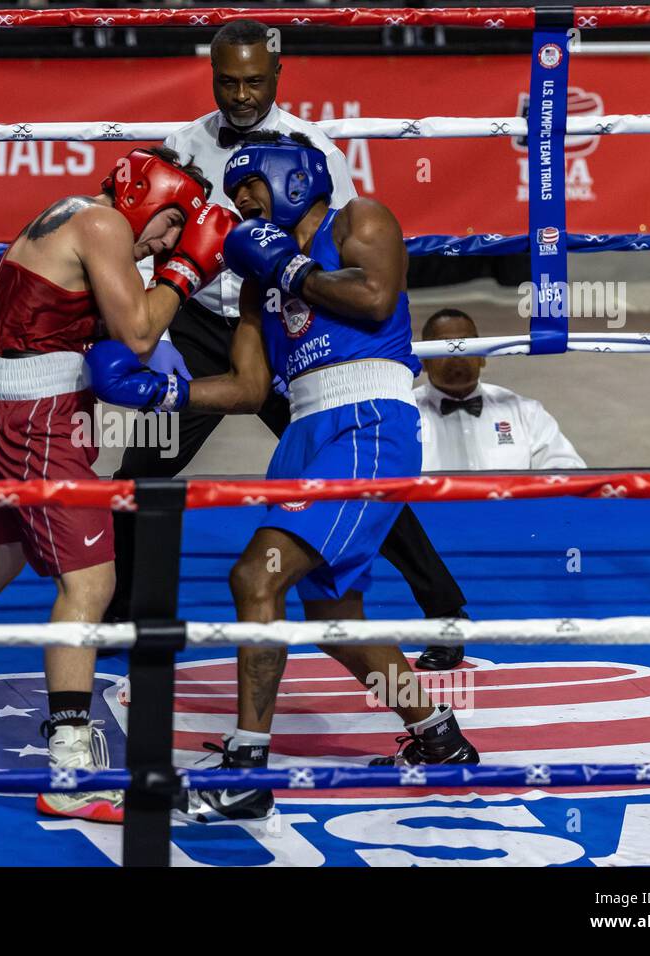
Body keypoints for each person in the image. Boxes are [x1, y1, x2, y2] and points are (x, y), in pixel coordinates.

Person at [90, 133, 479, 822]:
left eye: (250, 190)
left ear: (293, 178)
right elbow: (247, 388)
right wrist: (162, 395)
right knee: (333, 615)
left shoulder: (360, 220)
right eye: (235, 198)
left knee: (255, 577)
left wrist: (290, 267)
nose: (241, 205)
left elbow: (377, 298)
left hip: (369, 422)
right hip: (303, 432)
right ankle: (438, 736)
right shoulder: (258, 281)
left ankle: (246, 769)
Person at [0, 147, 237, 824]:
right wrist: (188, 267)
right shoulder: (106, 226)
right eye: (173, 221)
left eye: (180, 233)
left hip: (15, 406)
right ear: (150, 195)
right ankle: (70, 774)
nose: (170, 239)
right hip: (37, 420)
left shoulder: (74, 213)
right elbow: (139, 332)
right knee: (90, 584)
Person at [109, 17, 469, 672]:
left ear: (277, 75)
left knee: (354, 470)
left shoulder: (313, 146)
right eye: (228, 82)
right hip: (199, 319)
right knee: (145, 464)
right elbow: (151, 228)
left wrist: (301, 295)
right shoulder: (183, 143)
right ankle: (122, 615)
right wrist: (147, 320)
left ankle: (442, 602)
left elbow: (345, 244)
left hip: (281, 318)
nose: (241, 95)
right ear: (211, 76)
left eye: (253, 81)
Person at [416, 309, 587, 470]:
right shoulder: (401, 414)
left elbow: (567, 468)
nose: (457, 354)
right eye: (444, 347)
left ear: (483, 357)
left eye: (466, 345)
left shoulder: (525, 412)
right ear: (423, 361)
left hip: (516, 502)